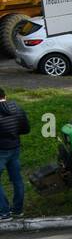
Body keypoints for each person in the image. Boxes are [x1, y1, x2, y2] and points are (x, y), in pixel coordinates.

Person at [0, 87, 30, 220]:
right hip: (15, 148)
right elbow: (26, 128)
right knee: (17, 179)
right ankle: (17, 210)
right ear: (4, 95)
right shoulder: (16, 107)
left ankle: (4, 212)